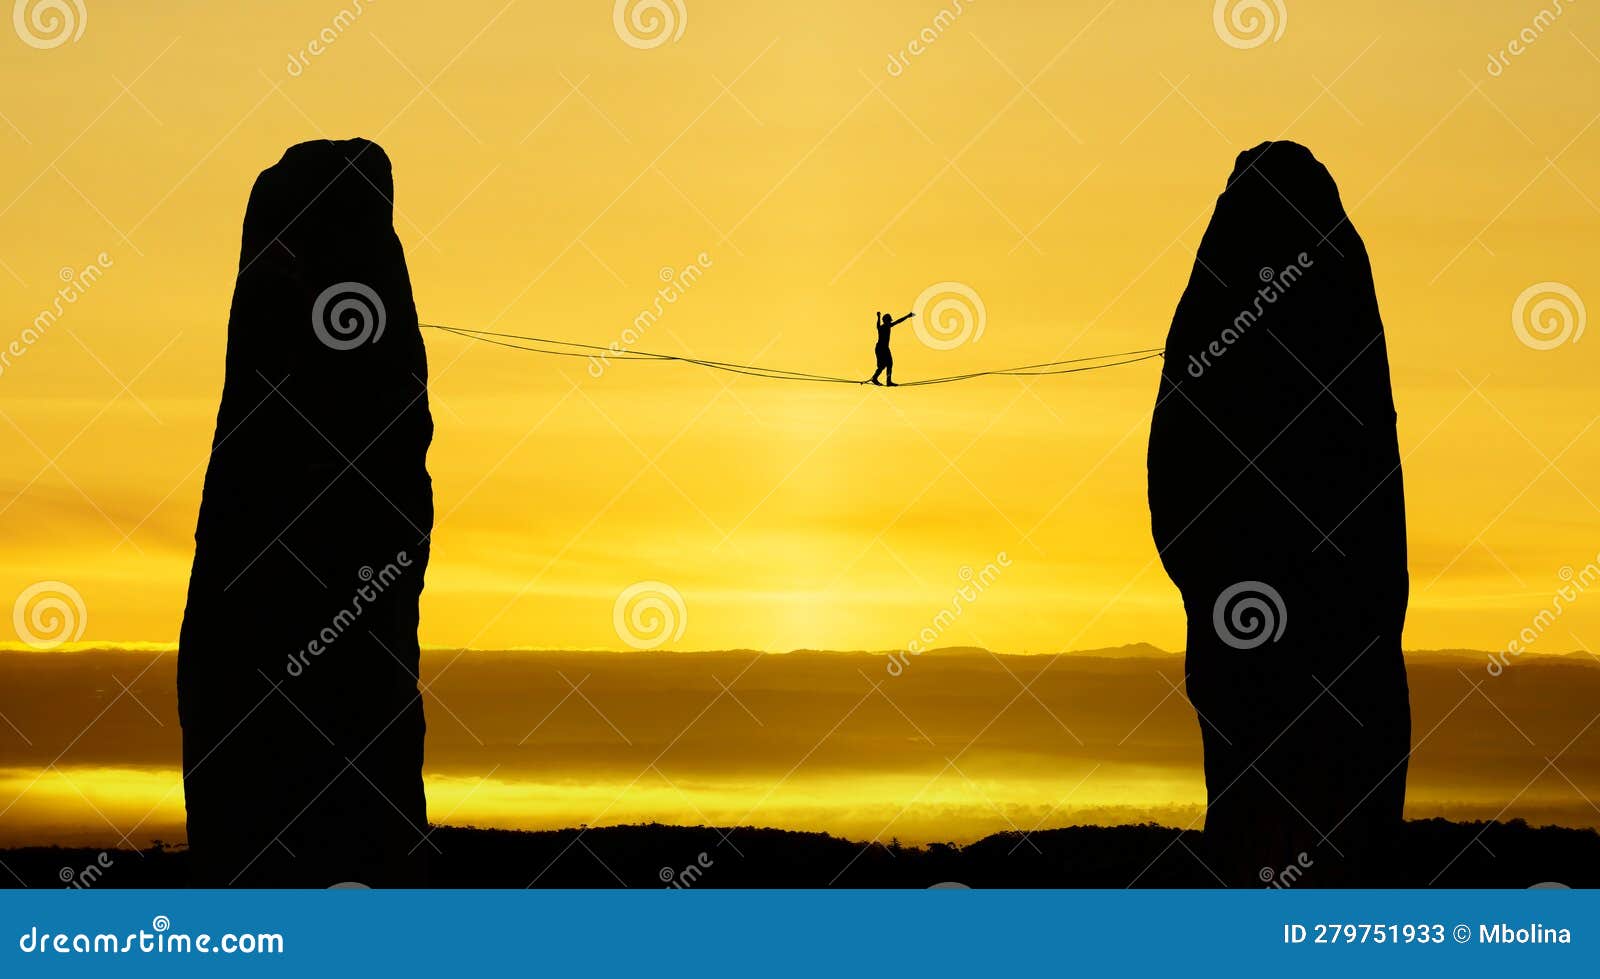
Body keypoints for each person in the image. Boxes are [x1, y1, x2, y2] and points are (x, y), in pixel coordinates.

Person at [868, 310, 913, 386]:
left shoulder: (883, 326)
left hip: (883, 348)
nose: (890, 322)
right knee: (887, 364)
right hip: (881, 348)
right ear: (886, 321)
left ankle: (878, 379)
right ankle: (882, 380)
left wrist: (878, 317)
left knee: (886, 365)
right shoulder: (885, 327)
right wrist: (907, 316)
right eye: (889, 320)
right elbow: (898, 321)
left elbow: (878, 325)